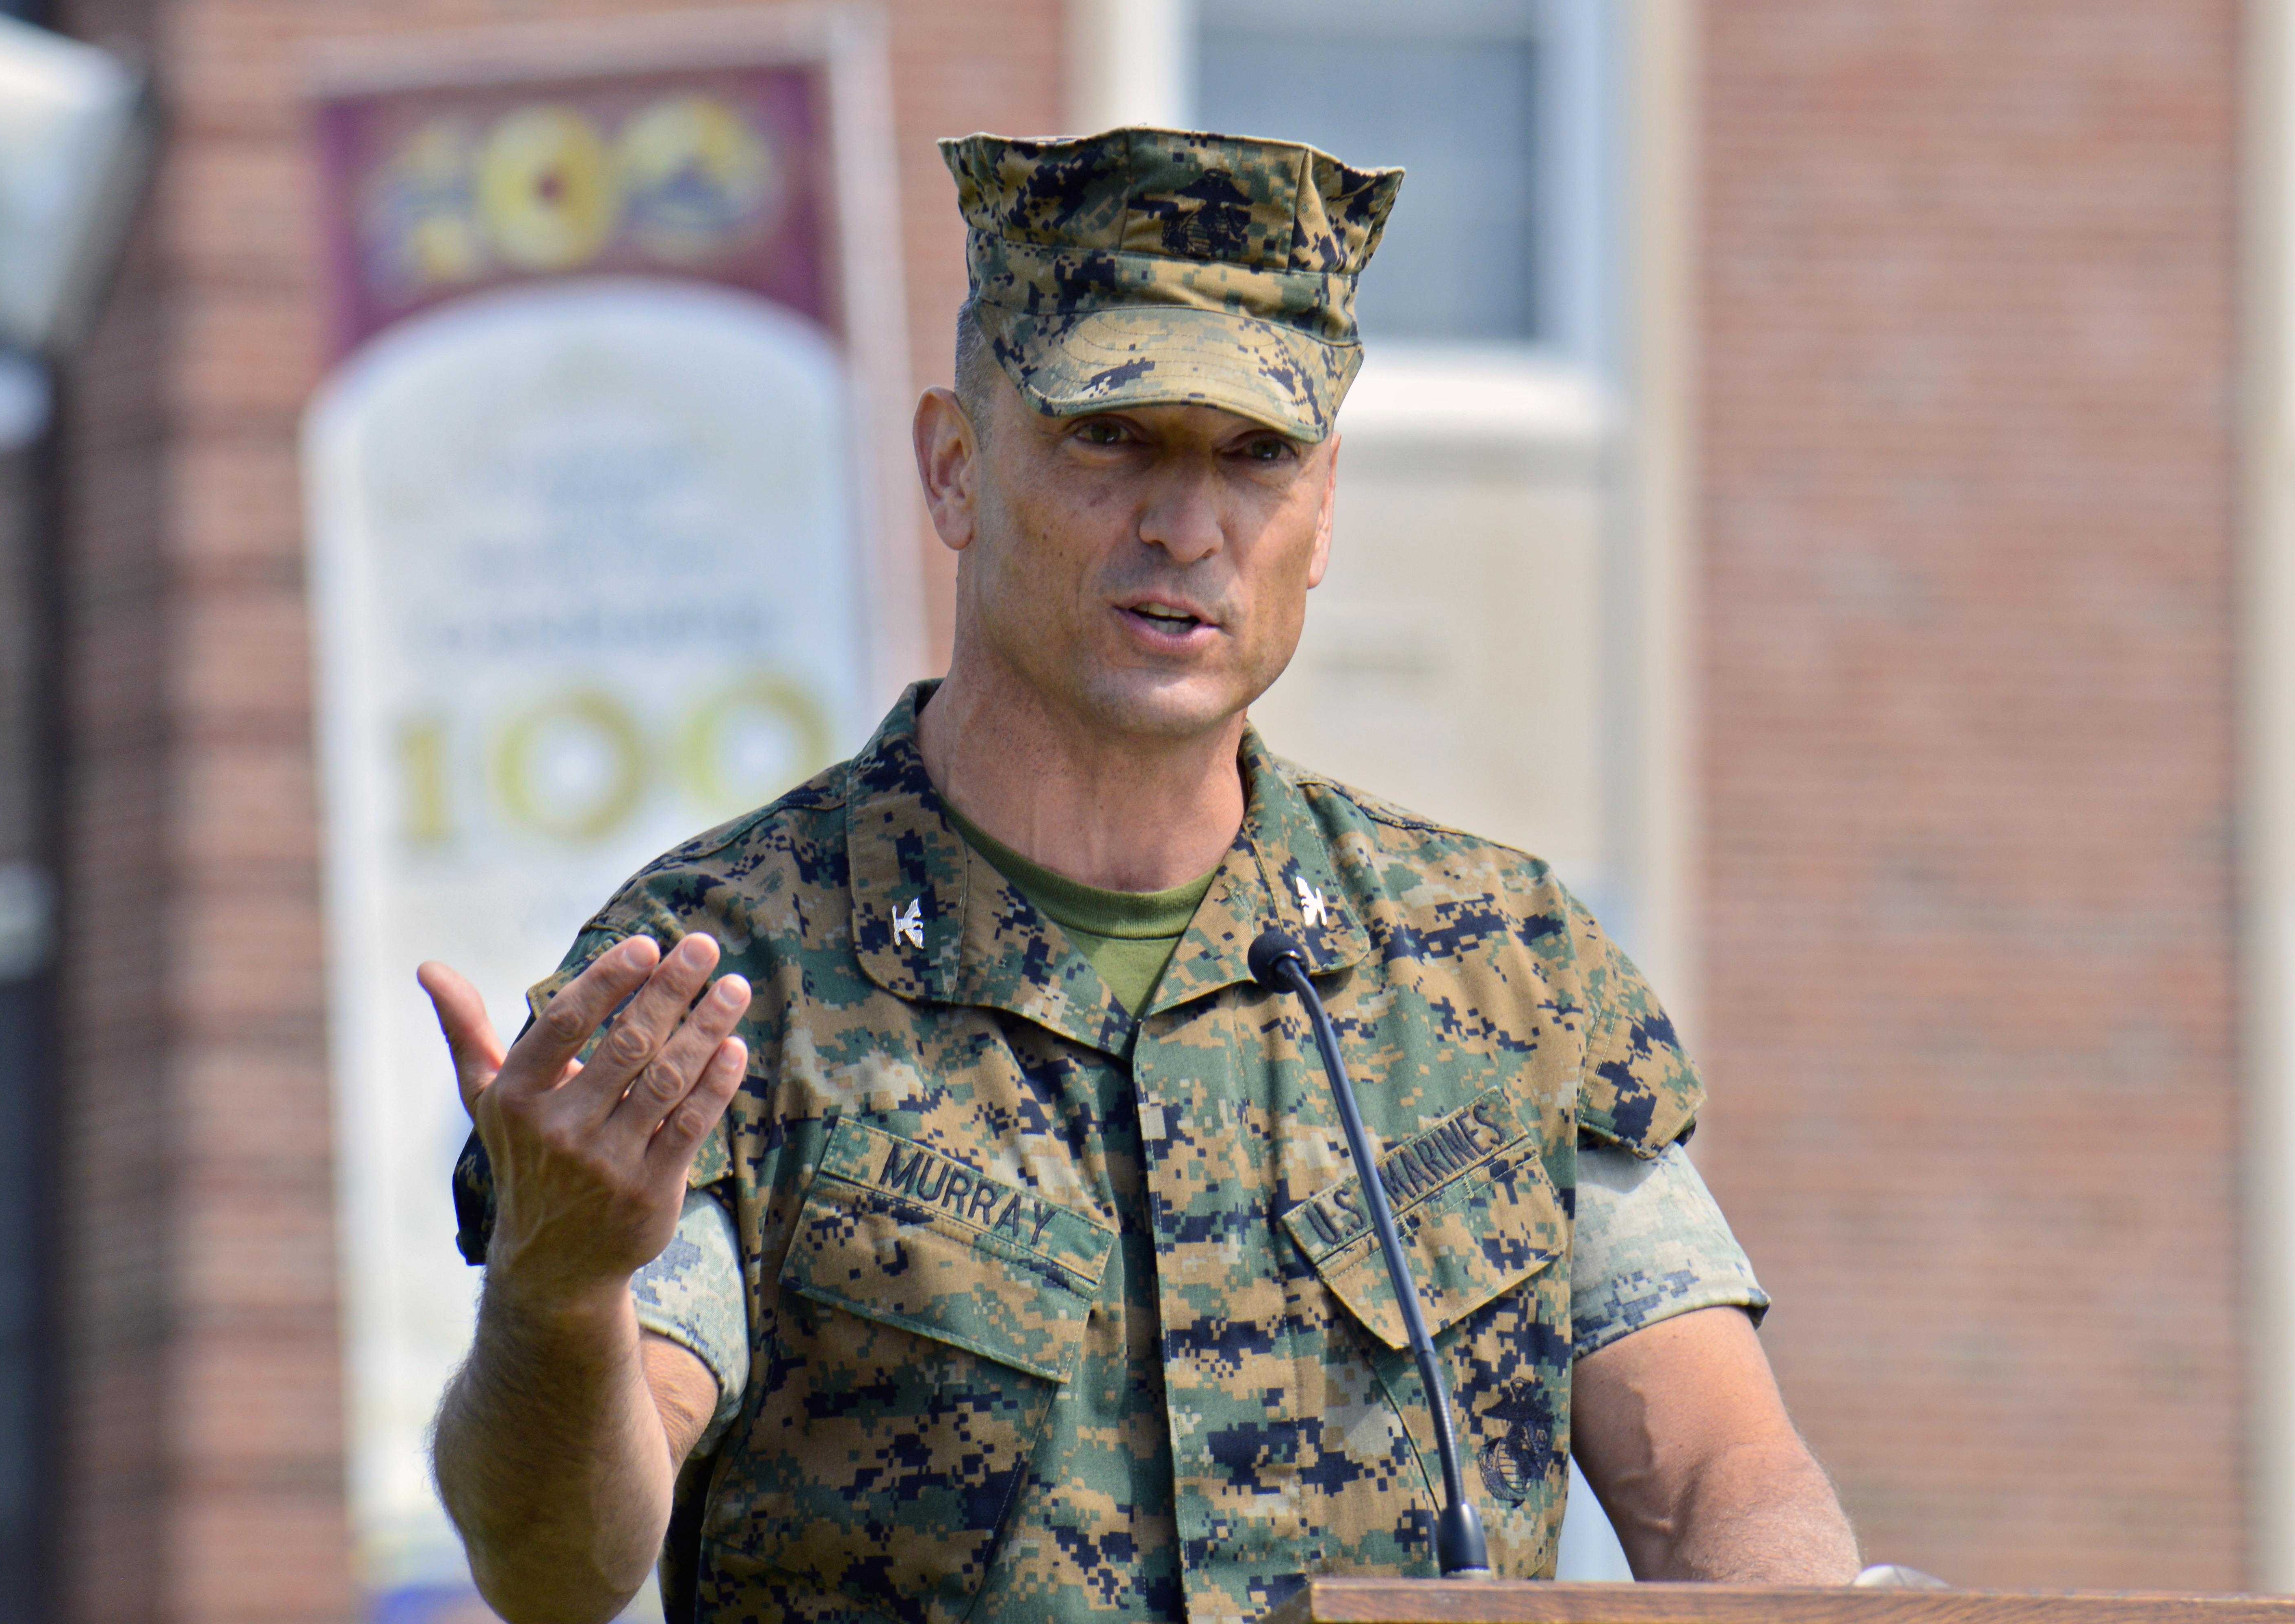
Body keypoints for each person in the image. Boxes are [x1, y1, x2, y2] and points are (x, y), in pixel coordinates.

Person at [419, 127, 1862, 1624]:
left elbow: (1720, 1489)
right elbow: (556, 1566)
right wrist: (560, 1290)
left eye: (1257, 457)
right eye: (1113, 441)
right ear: (955, 466)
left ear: (1323, 513)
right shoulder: (726, 977)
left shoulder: (1494, 962)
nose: (1188, 528)